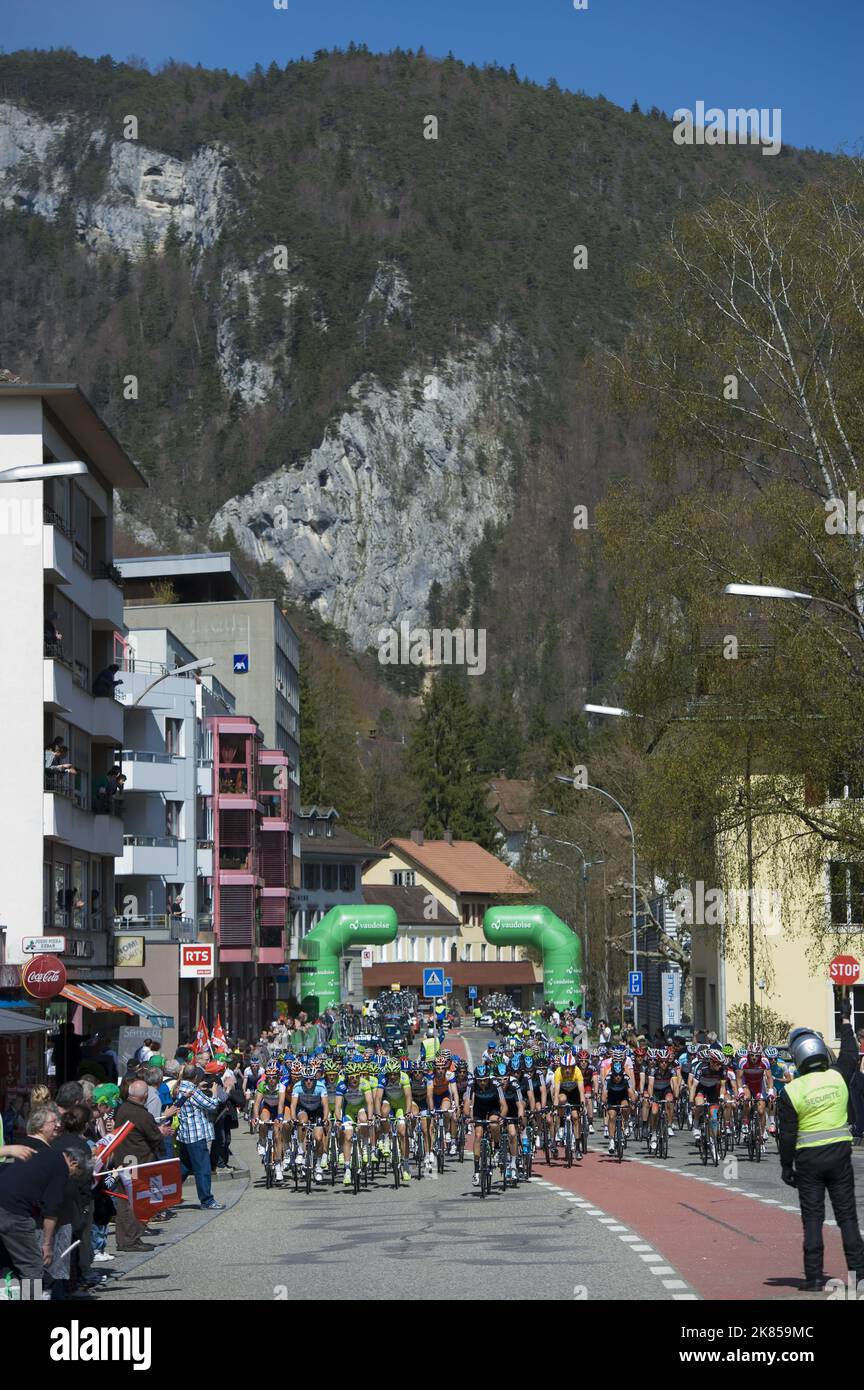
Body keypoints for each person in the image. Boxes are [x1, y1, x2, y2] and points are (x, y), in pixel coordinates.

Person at [778, 1026, 864, 1291]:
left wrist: (786, 1166)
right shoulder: (837, 1077)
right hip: (839, 1157)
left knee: (813, 1219)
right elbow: (851, 1053)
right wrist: (847, 1025)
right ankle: (859, 1274)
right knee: (847, 1216)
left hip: (808, 1163)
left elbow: (788, 1136)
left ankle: (814, 1278)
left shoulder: (791, 1092)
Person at [113, 1080, 176, 1252]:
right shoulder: (141, 1114)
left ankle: (129, 1238)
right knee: (136, 1201)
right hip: (138, 1162)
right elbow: (154, 1137)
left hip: (125, 1160)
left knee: (127, 1200)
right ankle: (130, 1240)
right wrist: (162, 1132)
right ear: (145, 1096)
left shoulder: (123, 1109)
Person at [173, 1065, 225, 1210]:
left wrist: (198, 1087)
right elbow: (212, 1105)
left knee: (184, 1167)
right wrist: (214, 1092)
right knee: (203, 1168)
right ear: (196, 1077)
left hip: (185, 1134)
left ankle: (166, 1193)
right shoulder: (193, 1091)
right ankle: (207, 1200)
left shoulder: (180, 1087)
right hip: (196, 1135)